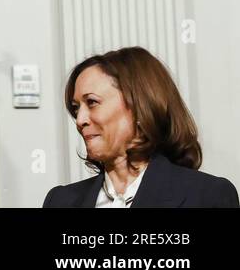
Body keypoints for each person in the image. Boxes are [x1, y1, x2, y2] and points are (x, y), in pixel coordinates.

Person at [43, 46, 238, 208]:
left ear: (139, 107)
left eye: (92, 102)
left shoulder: (208, 196)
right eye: (76, 108)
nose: (79, 119)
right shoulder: (60, 201)